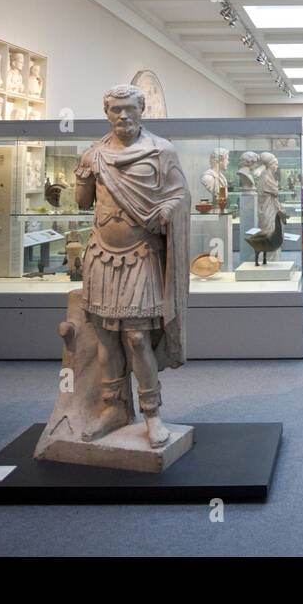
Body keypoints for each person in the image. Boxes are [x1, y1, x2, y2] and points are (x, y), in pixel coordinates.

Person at [74, 83, 190, 444]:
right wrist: (82, 174)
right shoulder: (93, 155)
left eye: (130, 109)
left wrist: (168, 209)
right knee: (105, 339)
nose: (123, 116)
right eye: (115, 110)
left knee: (138, 337)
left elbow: (181, 193)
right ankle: (113, 408)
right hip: (101, 254)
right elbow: (82, 203)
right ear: (106, 112)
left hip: (141, 252)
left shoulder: (161, 151)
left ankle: (152, 415)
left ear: (142, 111)